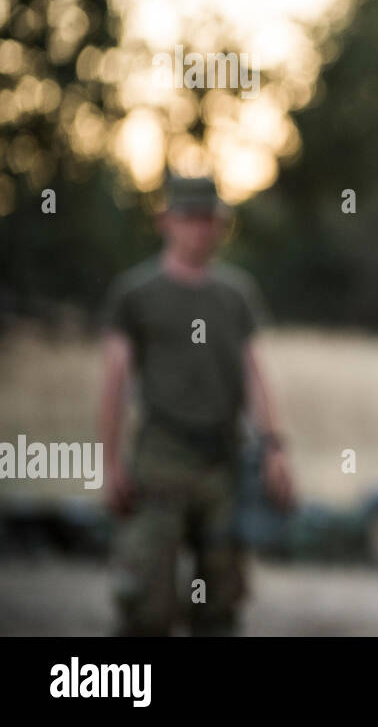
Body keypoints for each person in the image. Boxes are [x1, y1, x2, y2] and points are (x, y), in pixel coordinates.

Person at [98, 175, 294, 635]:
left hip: (222, 462)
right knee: (146, 604)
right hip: (160, 460)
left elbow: (254, 373)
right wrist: (108, 462)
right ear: (165, 221)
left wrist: (274, 446)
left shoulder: (235, 293)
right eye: (190, 218)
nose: (201, 230)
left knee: (220, 605)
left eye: (210, 220)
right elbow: (115, 379)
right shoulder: (136, 293)